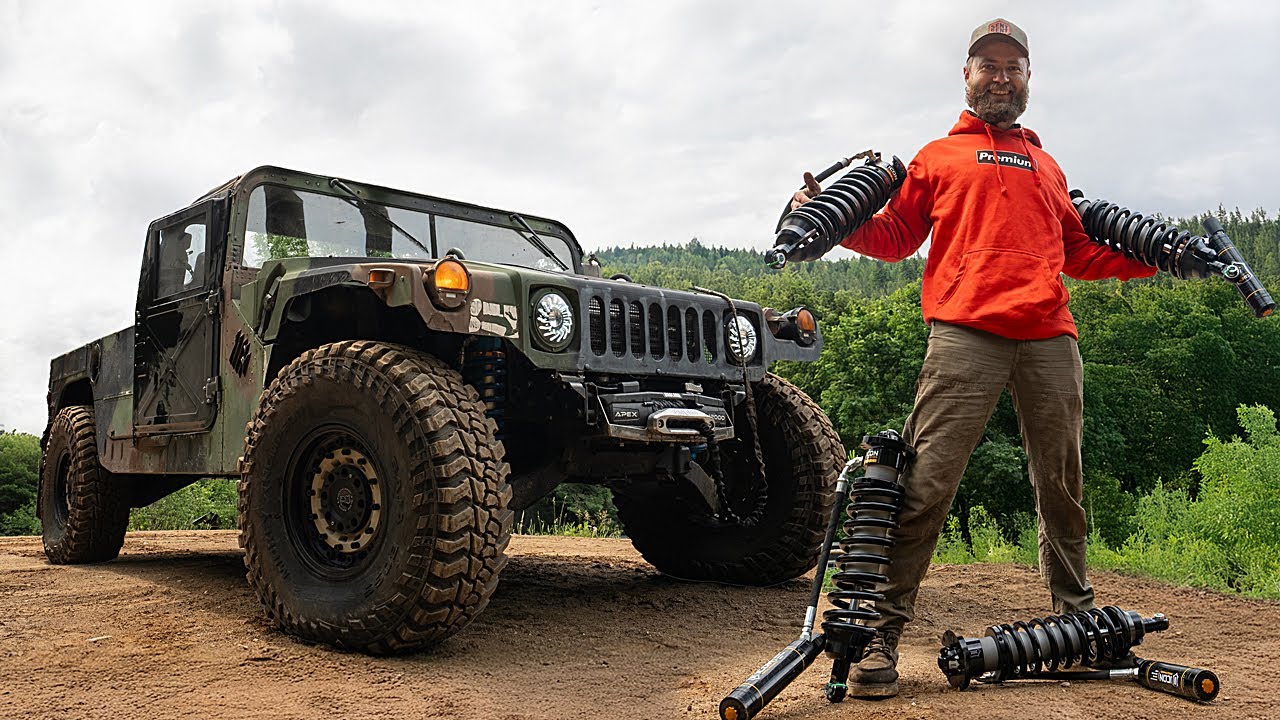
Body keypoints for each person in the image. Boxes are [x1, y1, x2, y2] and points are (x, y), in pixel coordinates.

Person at [789, 18, 1156, 698]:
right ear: (967, 75)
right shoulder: (938, 156)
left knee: (1062, 486)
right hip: (965, 333)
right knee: (925, 483)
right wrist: (830, 217)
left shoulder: (1049, 165)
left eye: (1014, 66)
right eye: (988, 65)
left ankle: (1074, 625)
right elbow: (897, 235)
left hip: (1050, 335)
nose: (1001, 75)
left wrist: (1151, 264)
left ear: (1026, 80)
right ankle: (879, 634)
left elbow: (1077, 251)